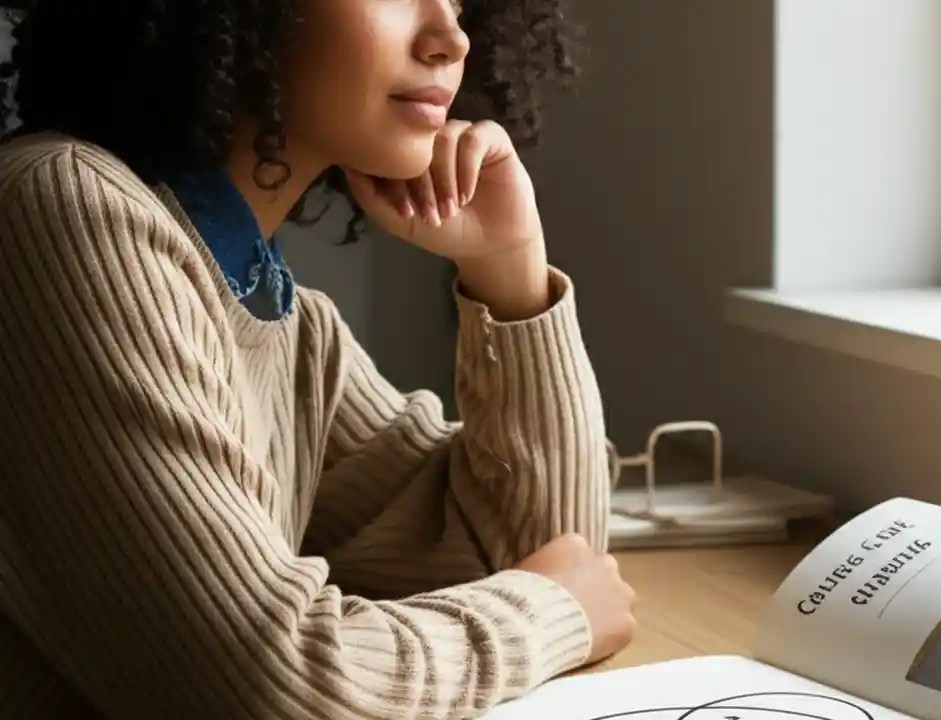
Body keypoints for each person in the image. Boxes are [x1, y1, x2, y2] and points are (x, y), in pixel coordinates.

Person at [0, 1, 636, 718]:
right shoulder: (62, 208)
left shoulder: (286, 319)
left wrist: (511, 269)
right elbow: (273, 683)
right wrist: (543, 615)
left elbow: (551, 551)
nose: (450, 35)